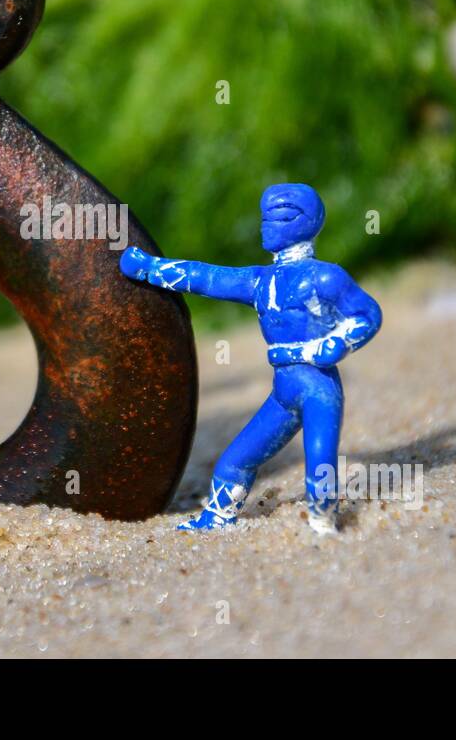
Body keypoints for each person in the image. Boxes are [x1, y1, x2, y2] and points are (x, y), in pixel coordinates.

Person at [120, 183, 381, 533]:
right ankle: (218, 516)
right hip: (285, 390)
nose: (268, 224)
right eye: (266, 216)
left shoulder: (324, 276)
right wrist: (150, 268)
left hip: (318, 387)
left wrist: (336, 343)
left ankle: (323, 523)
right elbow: (208, 277)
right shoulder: (262, 281)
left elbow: (367, 314)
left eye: (283, 216)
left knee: (320, 463)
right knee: (235, 461)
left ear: (309, 221)